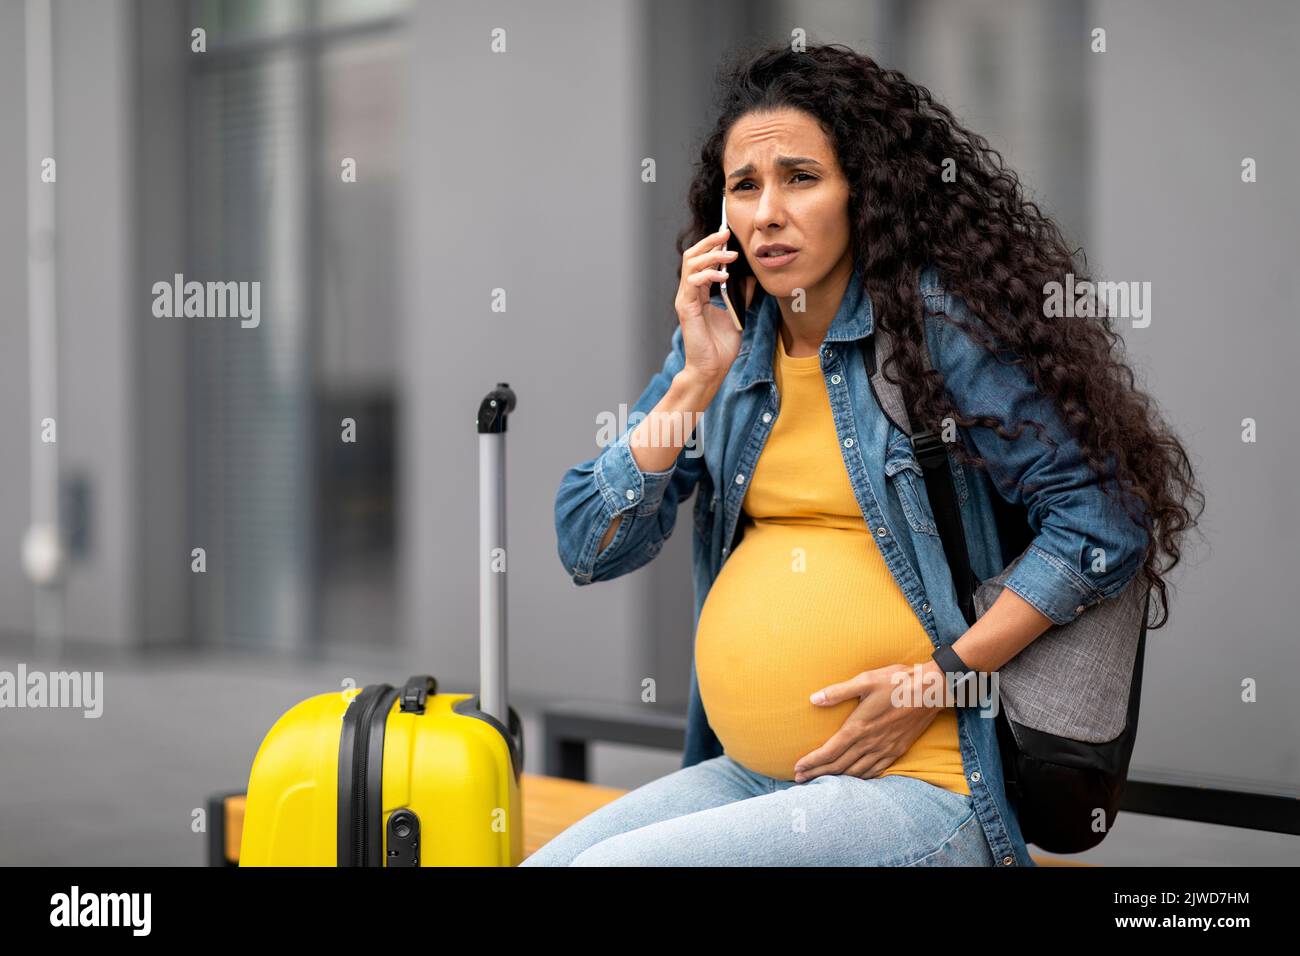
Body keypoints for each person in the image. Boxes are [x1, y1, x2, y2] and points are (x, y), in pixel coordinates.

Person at [524, 42, 1202, 867]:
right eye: (747, 186)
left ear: (864, 194)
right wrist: (692, 382)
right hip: (753, 776)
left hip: (925, 783)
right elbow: (587, 546)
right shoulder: (724, 346)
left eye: (801, 178)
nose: (768, 211)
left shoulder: (935, 332)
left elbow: (1102, 522)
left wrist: (937, 678)